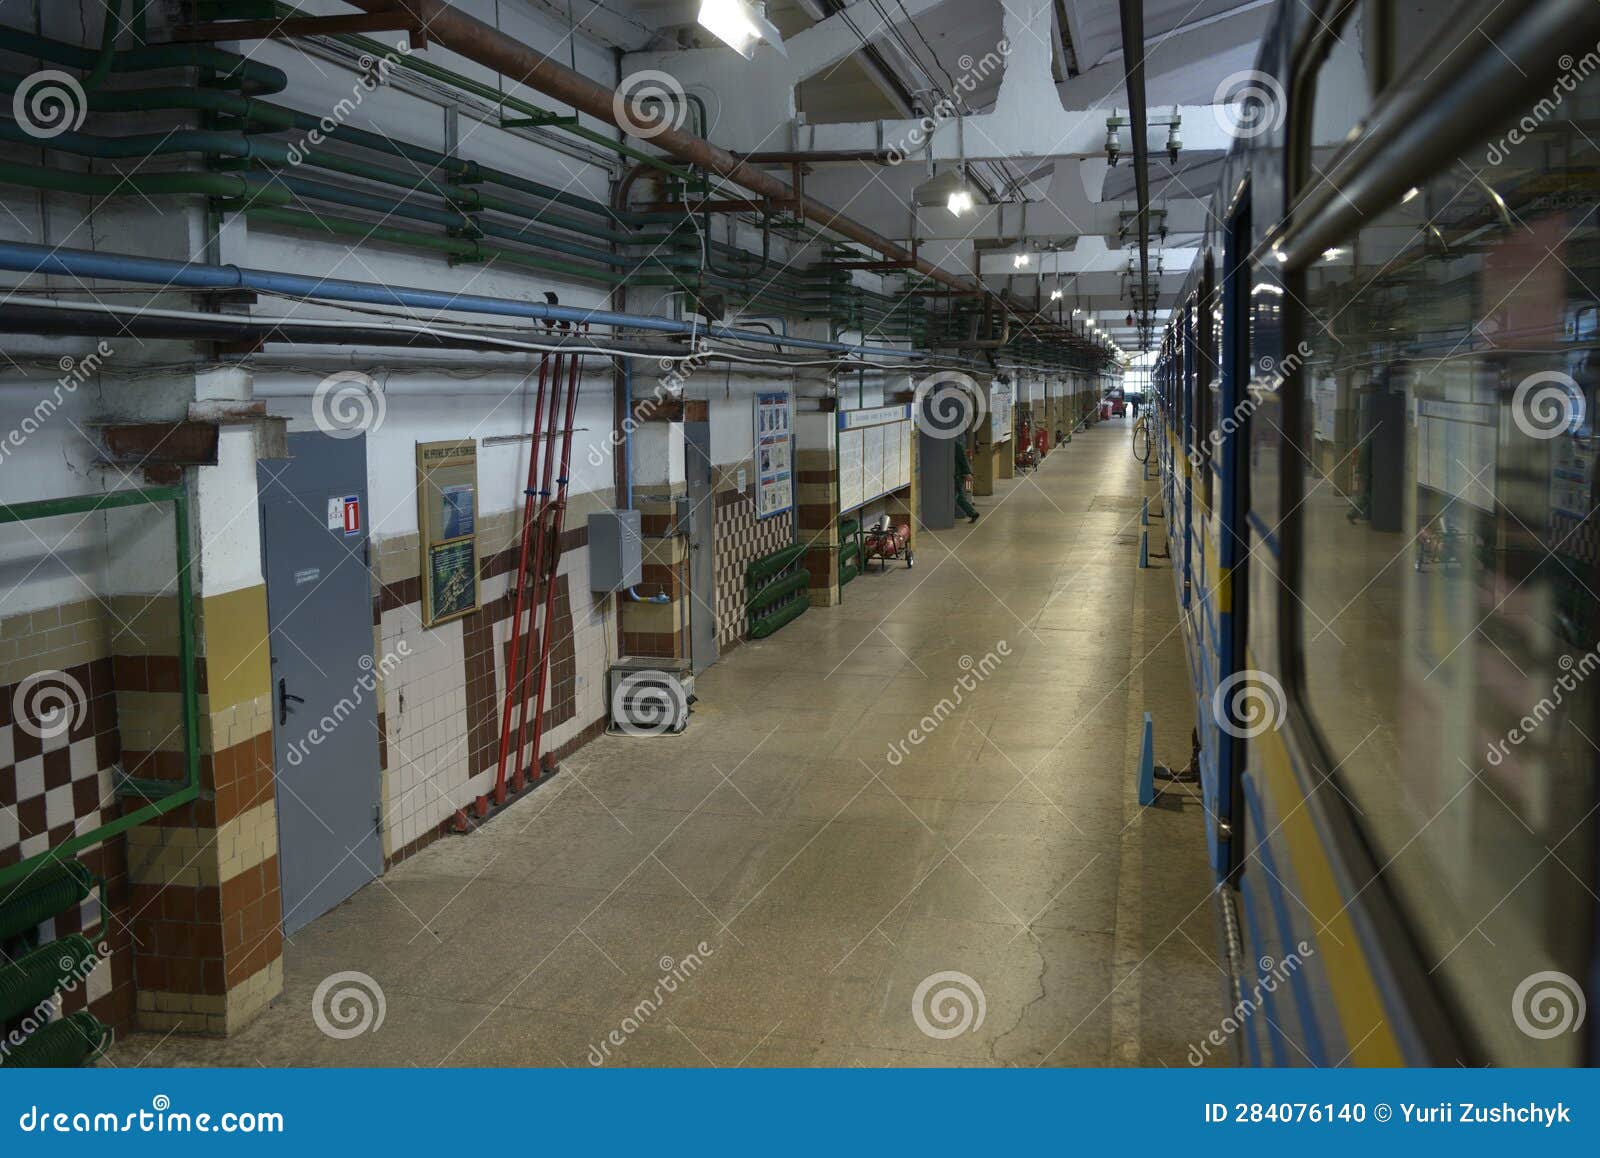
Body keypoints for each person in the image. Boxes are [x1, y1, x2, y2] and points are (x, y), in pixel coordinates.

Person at [954, 436, 980, 524]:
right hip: (957, 474)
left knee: (958, 496)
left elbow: (963, 460)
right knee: (958, 496)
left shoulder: (956, 446)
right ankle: (972, 513)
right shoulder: (955, 445)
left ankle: (972, 513)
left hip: (957, 475)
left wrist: (967, 472)